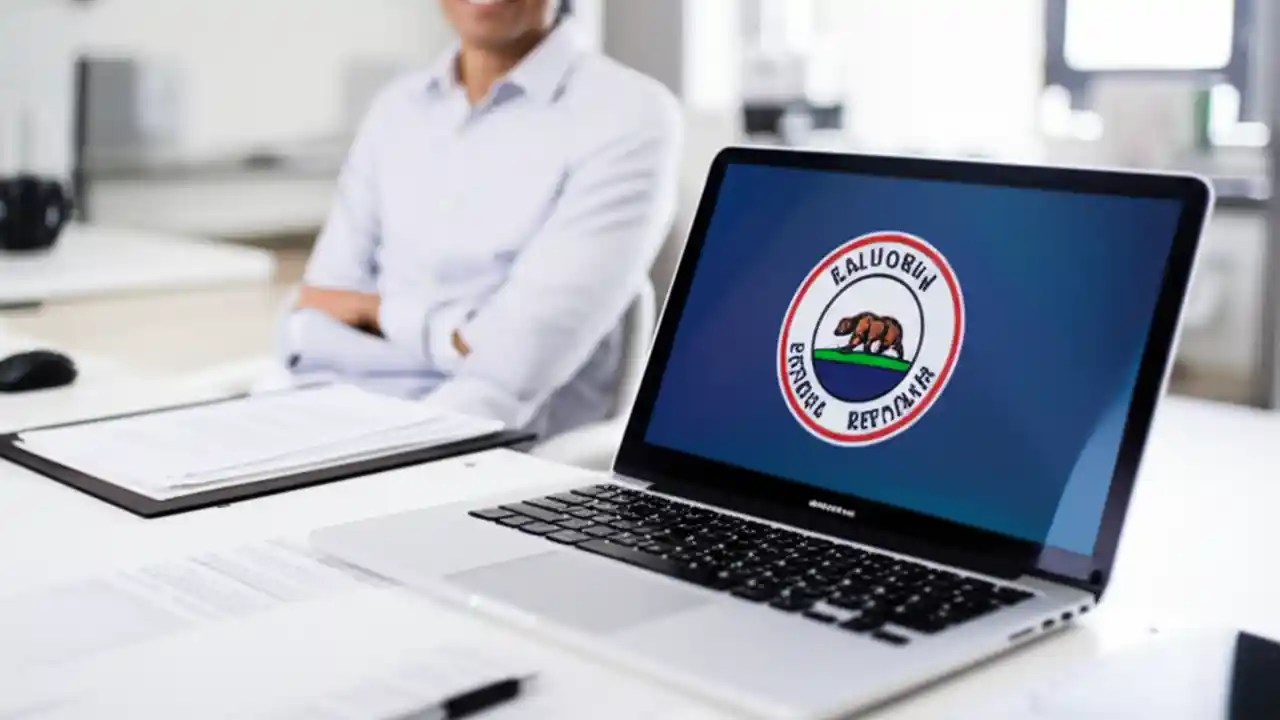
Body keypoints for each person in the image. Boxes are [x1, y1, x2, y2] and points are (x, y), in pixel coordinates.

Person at [282, 0, 682, 437]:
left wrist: (373, 313)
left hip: (474, 454)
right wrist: (448, 336)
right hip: (326, 413)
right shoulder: (397, 109)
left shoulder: (628, 116)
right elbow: (314, 313)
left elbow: (504, 376)